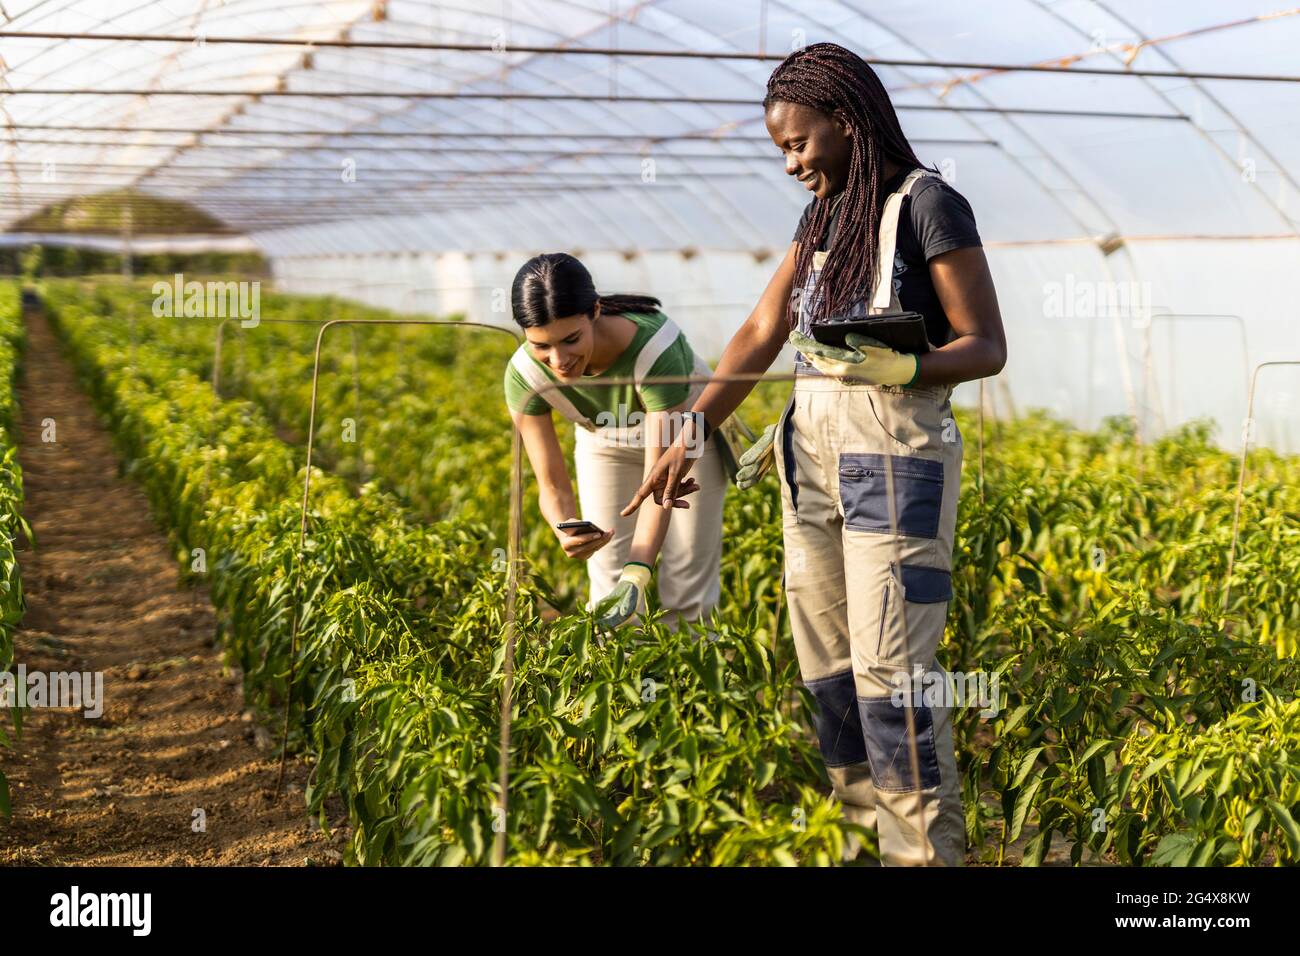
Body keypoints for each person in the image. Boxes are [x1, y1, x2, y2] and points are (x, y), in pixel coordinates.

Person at [622, 43, 1007, 866]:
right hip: (811, 467)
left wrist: (906, 365)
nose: (791, 163)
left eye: (798, 144)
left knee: (893, 678)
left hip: (895, 462)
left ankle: (923, 855)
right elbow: (762, 332)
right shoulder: (823, 216)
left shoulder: (927, 205)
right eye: (780, 151)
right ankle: (862, 841)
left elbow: (986, 346)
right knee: (830, 675)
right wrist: (690, 429)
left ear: (847, 120)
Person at [503, 252, 728, 630]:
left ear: (593, 311)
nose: (558, 360)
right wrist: (566, 526)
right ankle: (629, 683)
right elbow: (552, 484)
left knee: (687, 582)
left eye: (570, 339)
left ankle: (690, 683)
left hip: (685, 441)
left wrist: (639, 571)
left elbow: (661, 485)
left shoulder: (654, 347)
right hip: (604, 441)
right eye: (542, 346)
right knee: (608, 579)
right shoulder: (525, 376)